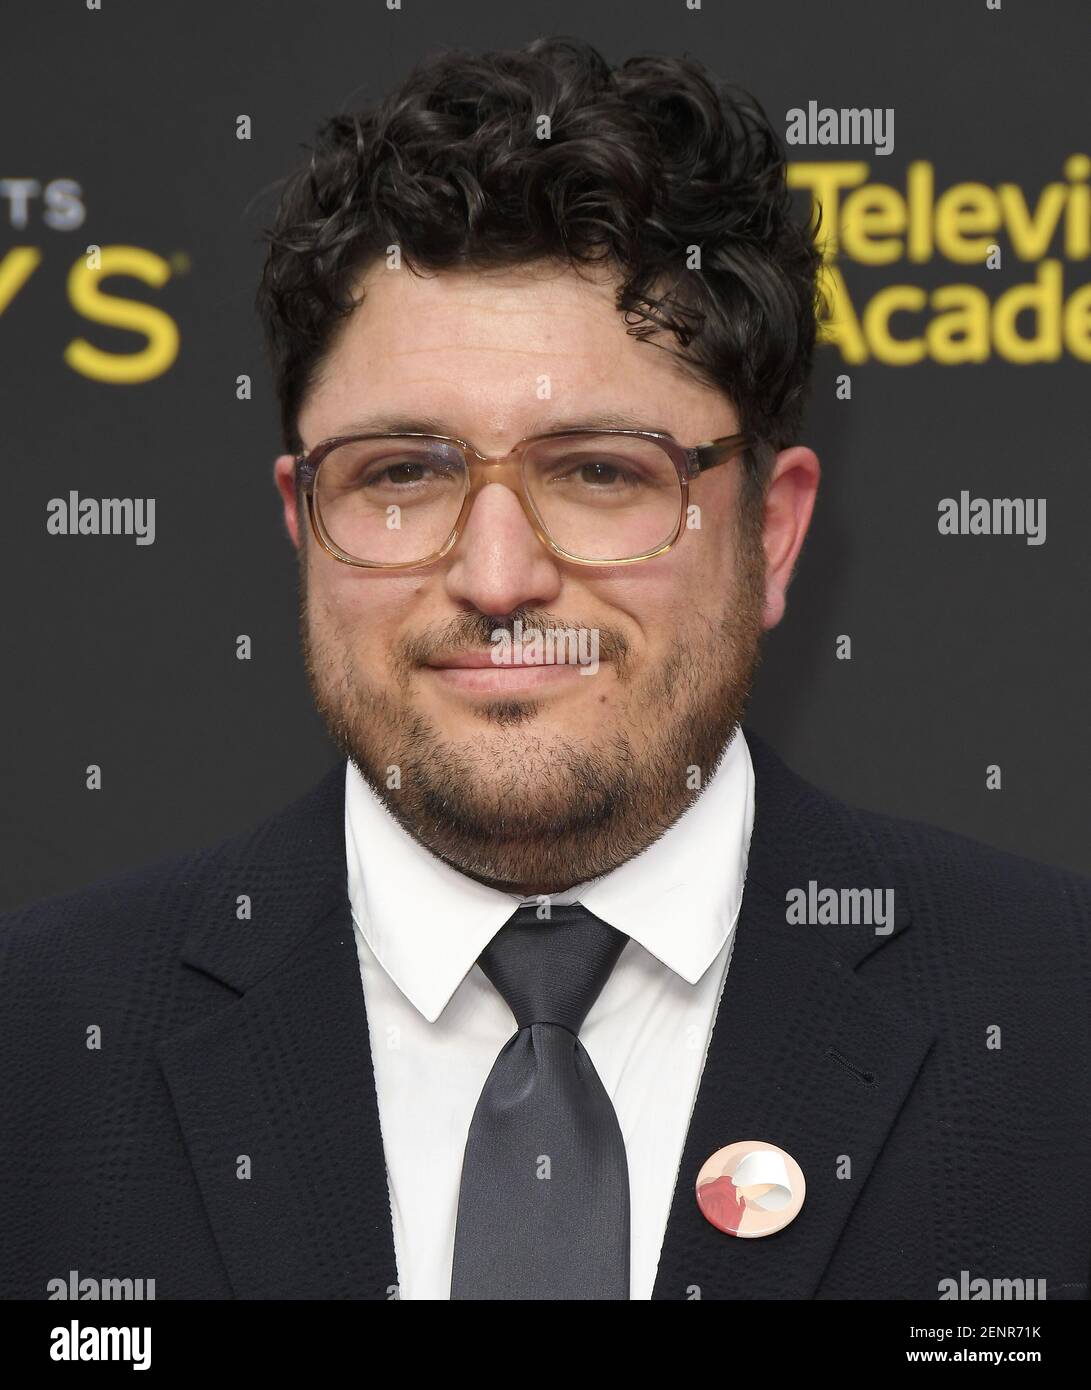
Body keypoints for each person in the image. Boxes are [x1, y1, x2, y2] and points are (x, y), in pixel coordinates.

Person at [1, 36, 1087, 1302]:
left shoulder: (1056, 1021)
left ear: (773, 534)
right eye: (403, 473)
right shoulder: (36, 1050)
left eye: (601, 471)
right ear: (302, 522)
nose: (498, 576)